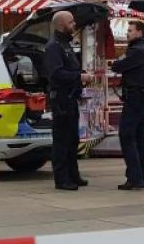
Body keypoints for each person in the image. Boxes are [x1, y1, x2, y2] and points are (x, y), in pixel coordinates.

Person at [44, 10, 94, 191]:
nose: (74, 25)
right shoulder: (54, 47)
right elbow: (57, 74)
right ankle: (62, 178)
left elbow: (70, 69)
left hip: (71, 98)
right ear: (61, 25)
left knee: (73, 139)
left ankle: (73, 174)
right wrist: (79, 77)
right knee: (62, 140)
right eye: (71, 22)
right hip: (61, 100)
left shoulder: (65, 44)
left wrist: (80, 76)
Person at [111, 20, 144, 190]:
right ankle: (142, 178)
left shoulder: (135, 51)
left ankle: (134, 177)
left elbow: (116, 66)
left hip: (134, 99)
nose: (127, 33)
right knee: (140, 139)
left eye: (130, 30)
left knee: (126, 135)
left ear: (140, 33)